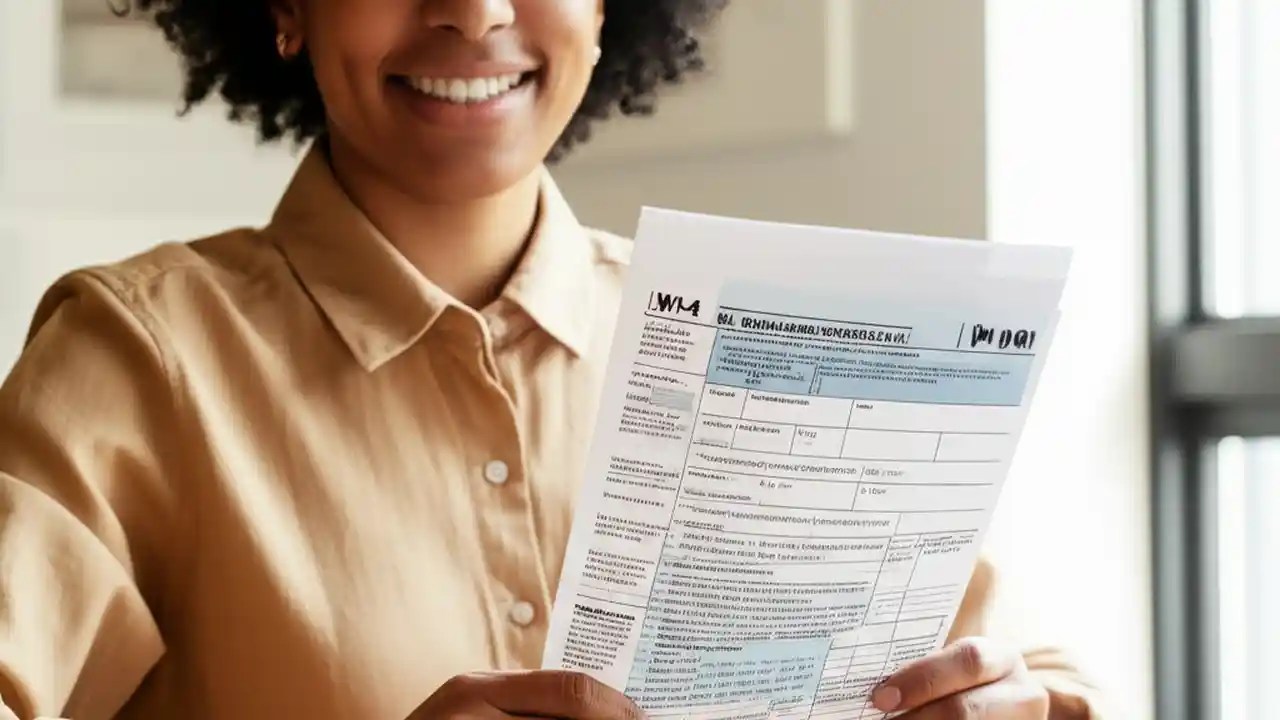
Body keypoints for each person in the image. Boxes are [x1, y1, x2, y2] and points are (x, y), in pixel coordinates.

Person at [0, 1, 1103, 718]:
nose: (473, 10)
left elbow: (1033, 676)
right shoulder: (134, 360)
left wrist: (1003, 703)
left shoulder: (759, 339)